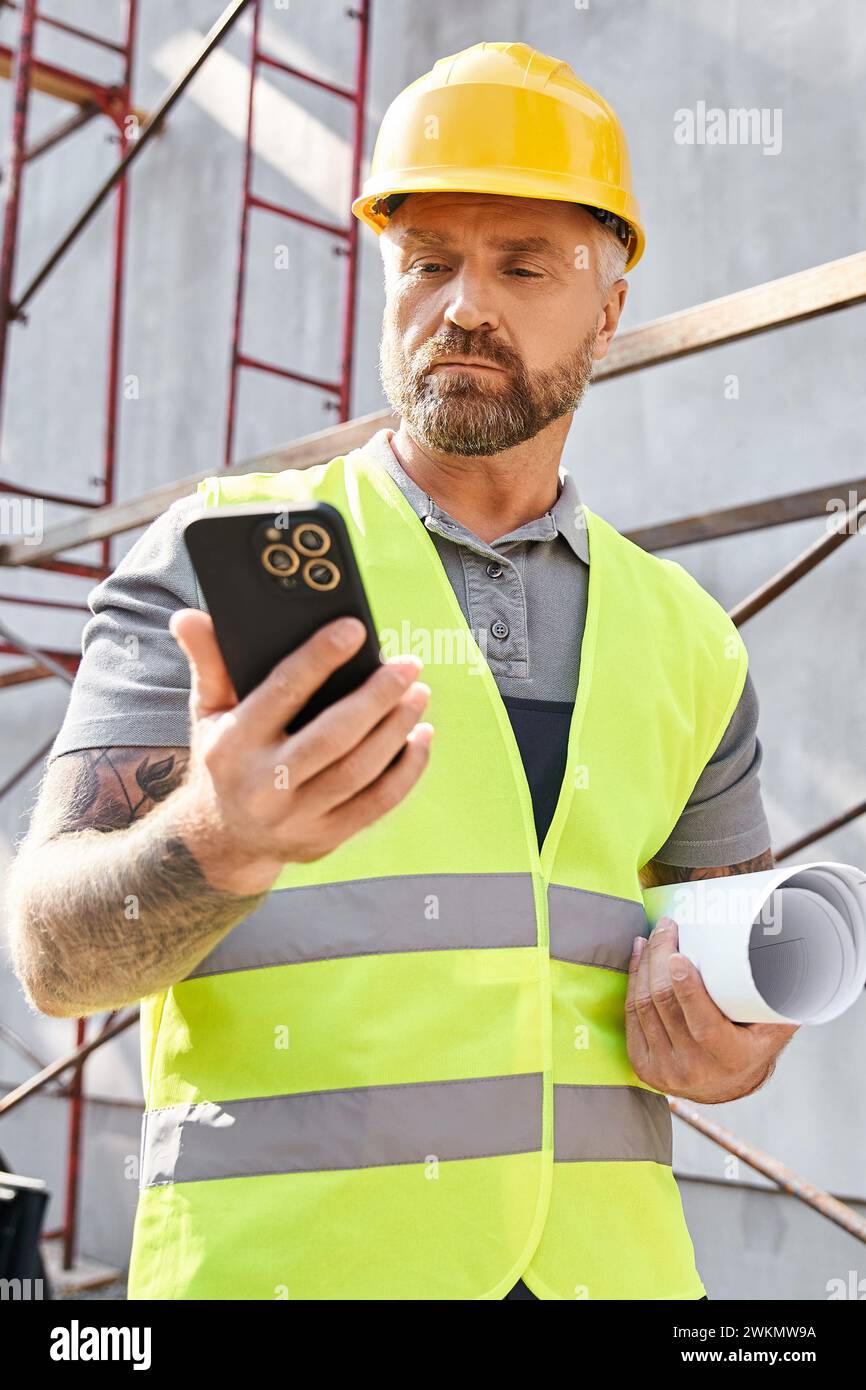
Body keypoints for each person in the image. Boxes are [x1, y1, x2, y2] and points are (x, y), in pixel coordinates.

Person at [8, 41, 797, 1300]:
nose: (461, 305)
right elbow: (54, 956)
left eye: (520, 265)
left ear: (607, 306)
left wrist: (735, 1048)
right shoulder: (230, 561)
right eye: (425, 263)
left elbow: (736, 978)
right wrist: (216, 840)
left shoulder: (688, 639)